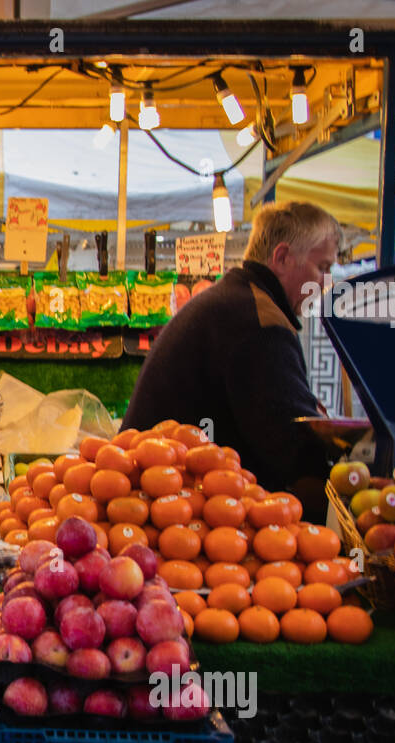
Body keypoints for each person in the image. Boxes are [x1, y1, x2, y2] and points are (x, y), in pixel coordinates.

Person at [122, 201, 340, 515]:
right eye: (322, 268)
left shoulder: (237, 301)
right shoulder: (258, 321)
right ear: (281, 257)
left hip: (156, 501)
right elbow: (290, 444)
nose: (324, 284)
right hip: (163, 510)